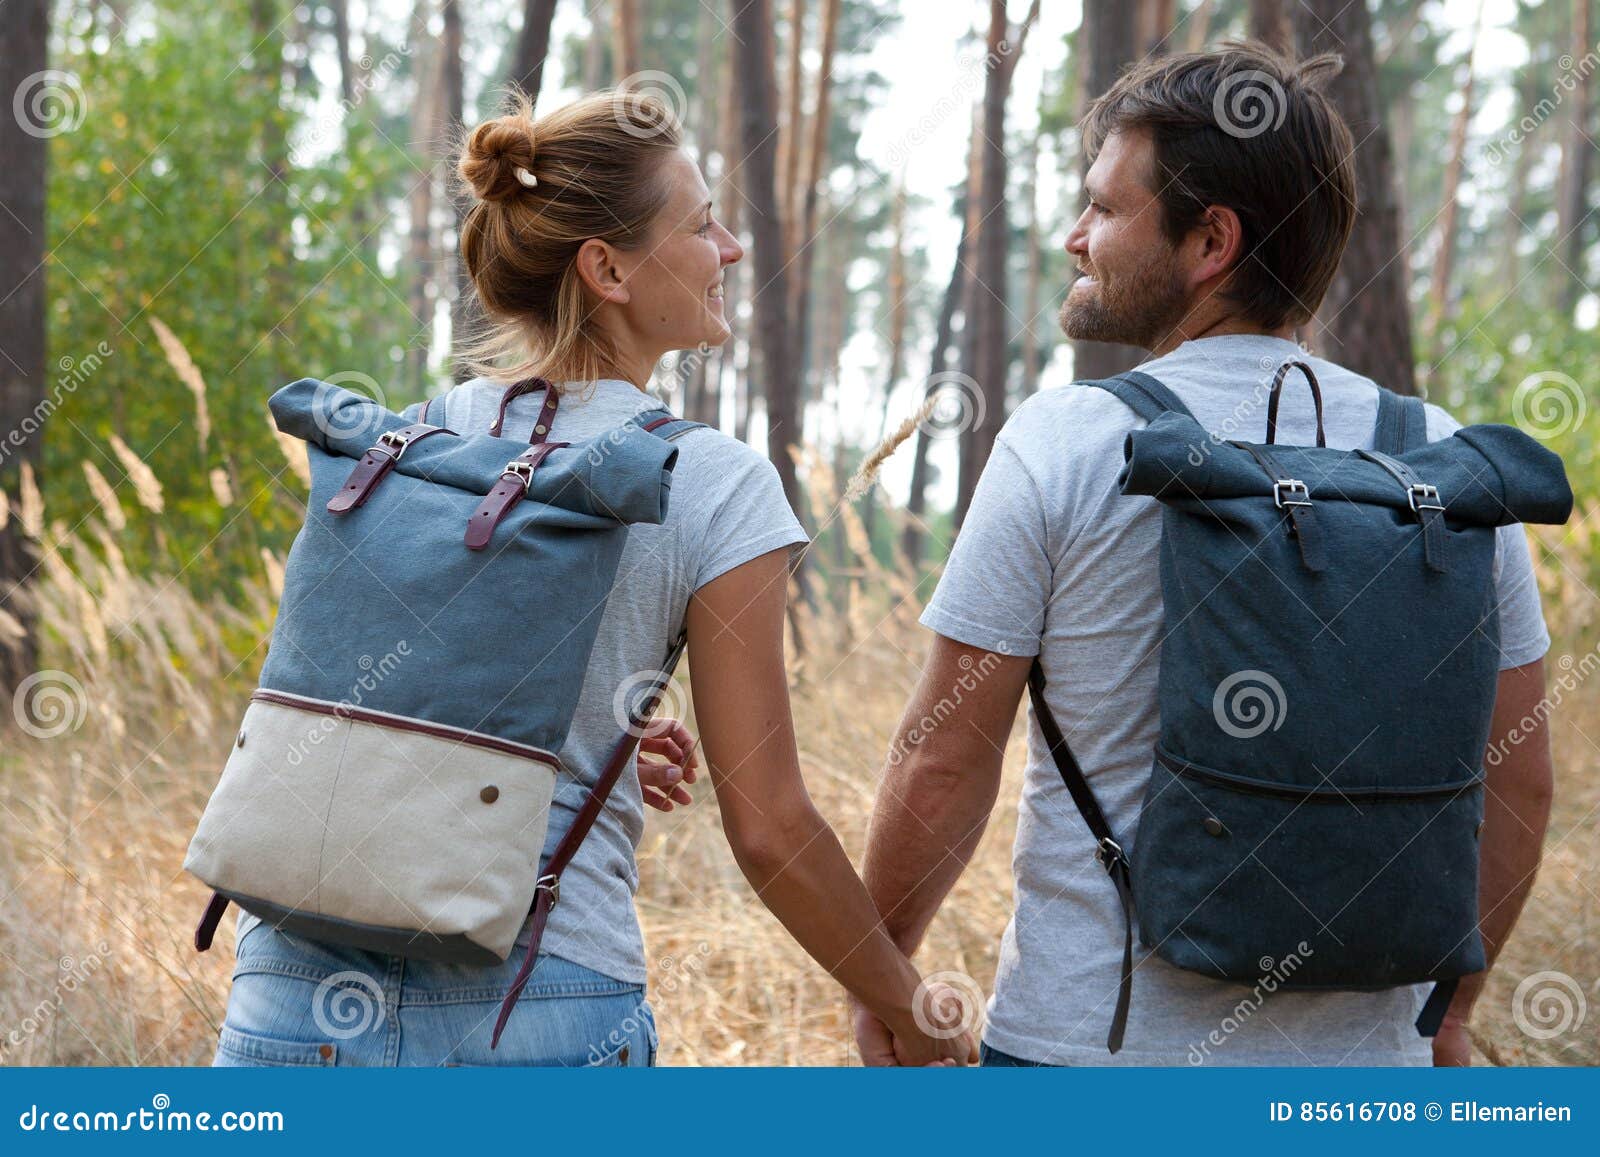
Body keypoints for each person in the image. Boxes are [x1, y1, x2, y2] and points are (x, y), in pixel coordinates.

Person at [212, 88, 974, 1068]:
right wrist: (907, 1004)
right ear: (607, 268)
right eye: (701, 224)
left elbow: (355, 692)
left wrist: (579, 713)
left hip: (288, 994)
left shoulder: (403, 440)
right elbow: (771, 826)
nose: (732, 248)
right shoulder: (706, 479)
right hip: (530, 1004)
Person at [853, 43, 1555, 1067]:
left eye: (1102, 207)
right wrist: (1446, 1010)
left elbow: (944, 757)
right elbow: (1519, 776)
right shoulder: (1440, 461)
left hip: (1089, 1055)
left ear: (1209, 242)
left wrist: (885, 976)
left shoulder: (1065, 440)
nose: (1072, 237)